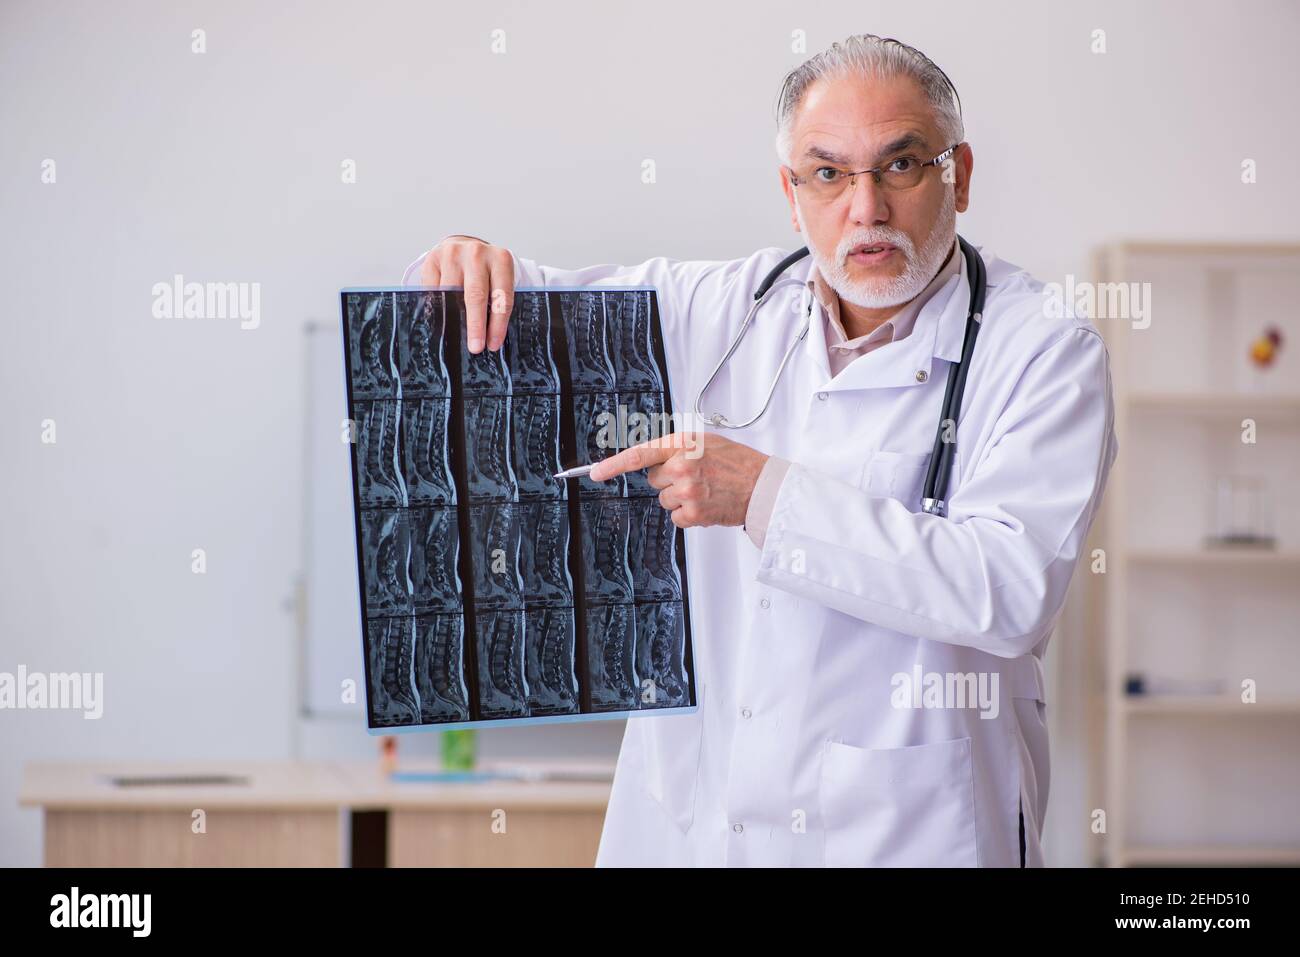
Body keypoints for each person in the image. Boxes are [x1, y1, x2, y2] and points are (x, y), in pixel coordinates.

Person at [403, 34, 1117, 867]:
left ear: (959, 172)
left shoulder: (1043, 349)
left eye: (902, 164)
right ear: (790, 191)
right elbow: (522, 309)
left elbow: (1011, 588)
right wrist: (460, 260)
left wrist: (764, 495)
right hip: (696, 822)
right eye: (828, 174)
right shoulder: (720, 304)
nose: (866, 208)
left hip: (909, 828)